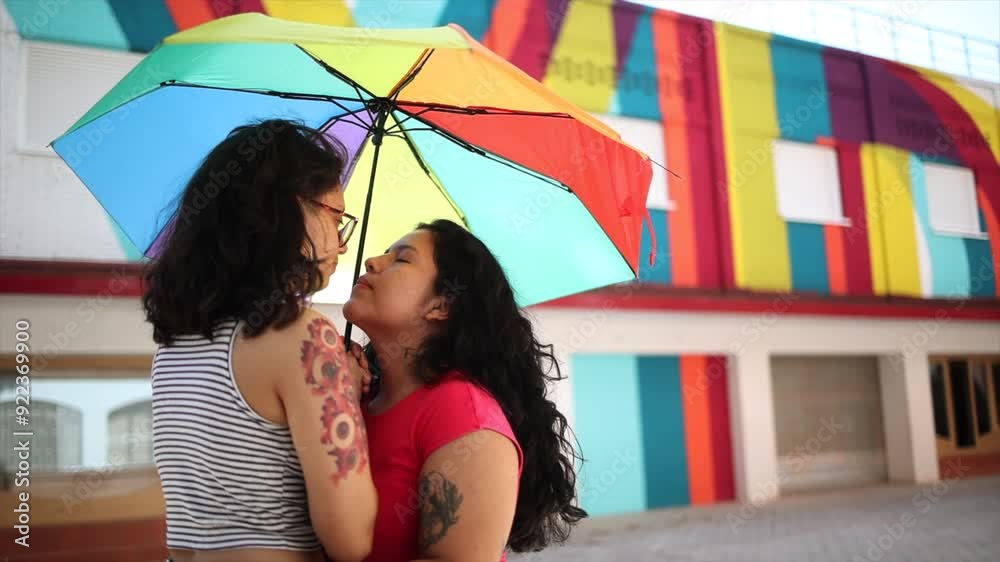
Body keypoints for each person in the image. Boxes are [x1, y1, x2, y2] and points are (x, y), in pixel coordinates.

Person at [144, 119, 376, 562]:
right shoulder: (305, 335)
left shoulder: (174, 345)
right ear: (289, 209)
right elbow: (351, 539)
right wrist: (342, 396)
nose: (343, 245)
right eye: (336, 217)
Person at [342, 219, 587, 562]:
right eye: (384, 254)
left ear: (441, 305)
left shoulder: (461, 412)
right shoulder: (354, 396)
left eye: (401, 259)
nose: (372, 261)